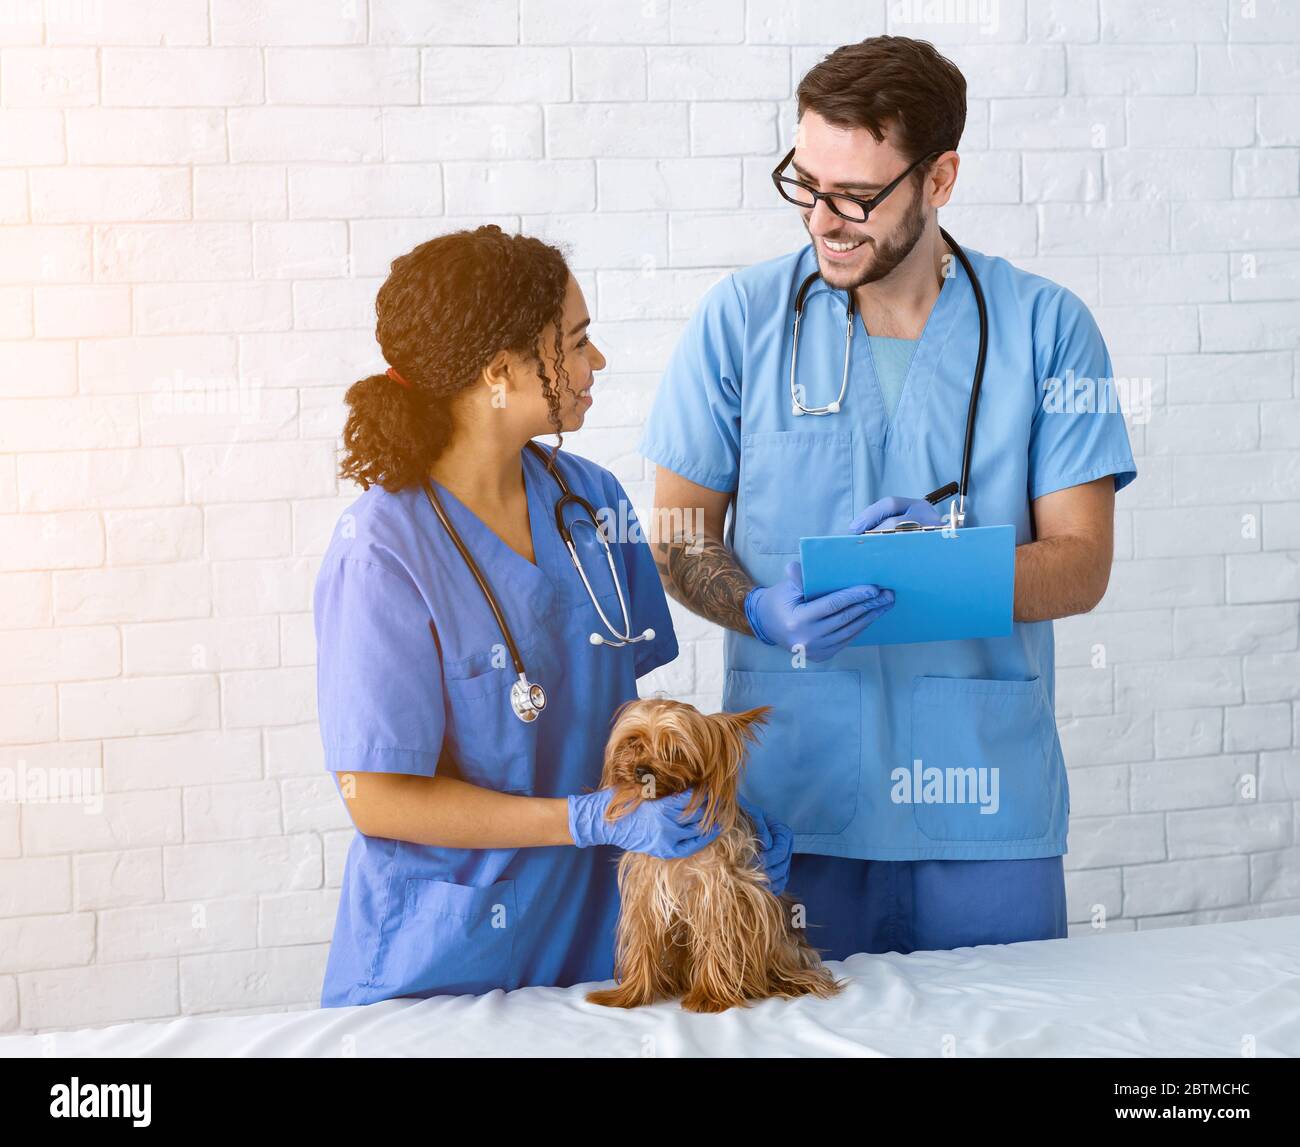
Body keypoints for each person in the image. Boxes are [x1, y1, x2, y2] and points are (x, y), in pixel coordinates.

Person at [638, 37, 1138, 958]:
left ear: (939, 176)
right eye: (807, 184)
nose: (826, 219)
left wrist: (913, 578)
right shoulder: (738, 322)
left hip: (985, 805)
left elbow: (1082, 562)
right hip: (793, 804)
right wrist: (755, 605)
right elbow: (675, 535)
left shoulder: (1048, 328)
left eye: (858, 196)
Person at [313, 225, 793, 1007]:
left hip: (597, 951)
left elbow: (618, 720)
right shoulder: (381, 549)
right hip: (440, 965)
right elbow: (378, 795)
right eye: (575, 342)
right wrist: (585, 818)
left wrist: (716, 812)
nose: (593, 362)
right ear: (500, 371)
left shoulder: (593, 501)